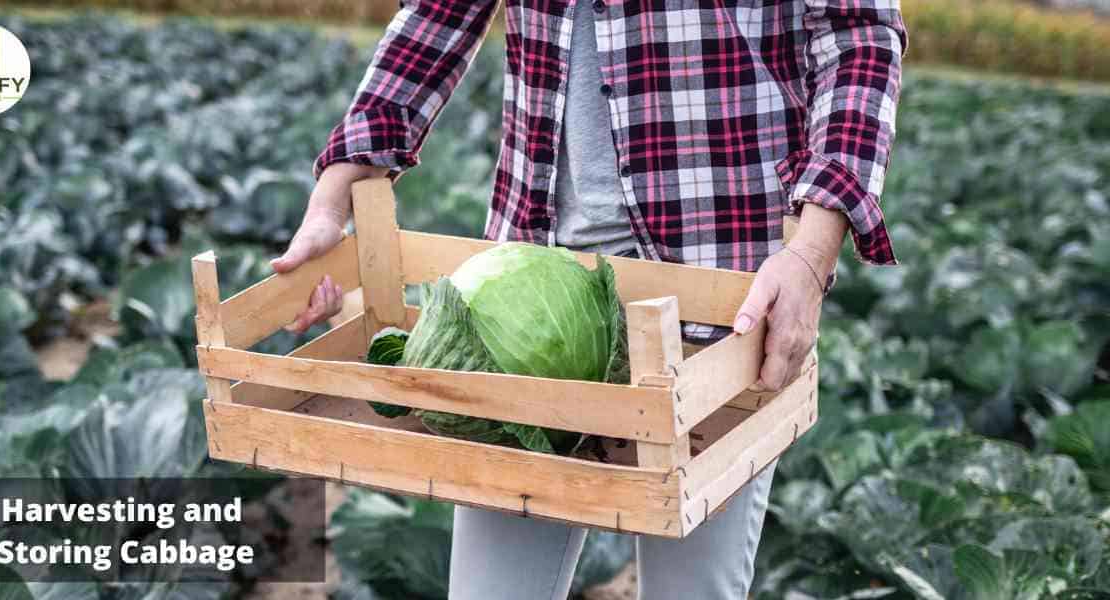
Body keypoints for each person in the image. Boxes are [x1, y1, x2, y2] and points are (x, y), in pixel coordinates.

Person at [274, 0, 905, 597]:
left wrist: (811, 251)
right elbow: (436, 15)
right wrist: (334, 198)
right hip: (531, 283)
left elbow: (859, 33)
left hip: (721, 285)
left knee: (692, 588)